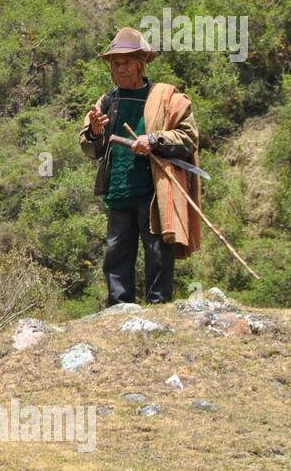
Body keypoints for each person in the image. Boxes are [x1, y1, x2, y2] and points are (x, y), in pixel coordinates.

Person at [78, 27, 201, 305]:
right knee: (117, 252)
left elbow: (189, 138)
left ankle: (159, 307)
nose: (119, 69)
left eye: (125, 63)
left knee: (158, 251)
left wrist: (154, 139)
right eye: (115, 64)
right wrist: (95, 133)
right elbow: (89, 148)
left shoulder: (167, 99)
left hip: (154, 191)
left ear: (140, 64)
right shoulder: (107, 102)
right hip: (118, 191)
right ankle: (120, 309)